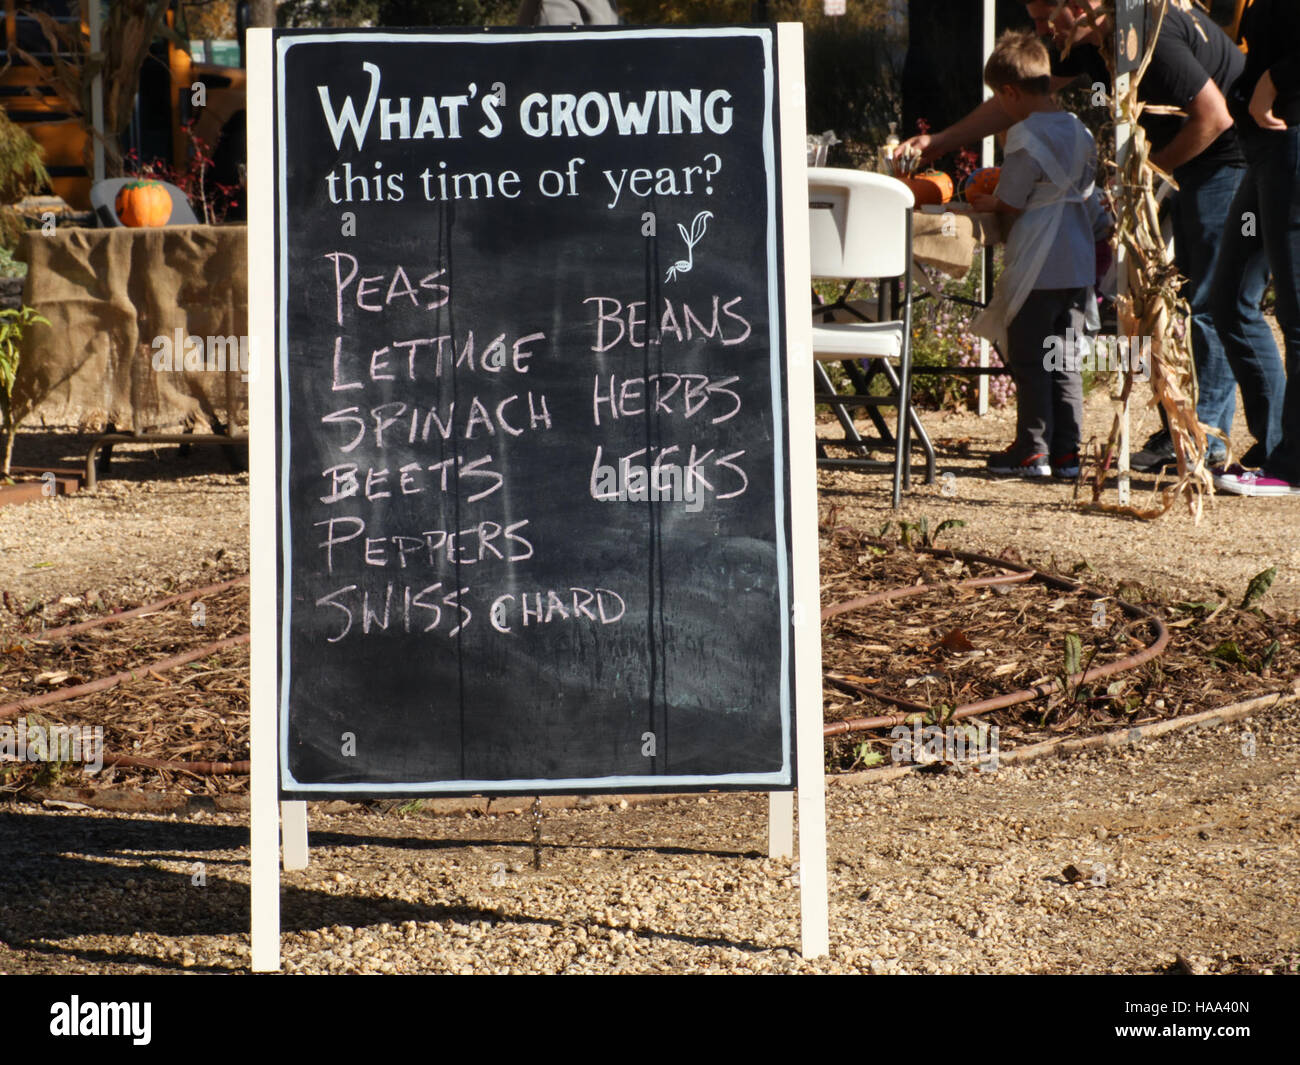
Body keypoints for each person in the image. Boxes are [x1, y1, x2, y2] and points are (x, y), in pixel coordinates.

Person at [899, 1, 1255, 472]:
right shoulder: (1078, 107)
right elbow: (1019, 105)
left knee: (1202, 303)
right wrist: (943, 140)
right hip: (1079, 265)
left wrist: (1139, 179)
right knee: (1070, 355)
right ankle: (1079, 447)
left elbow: (1214, 118)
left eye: (1046, 14)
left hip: (1219, 159)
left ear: (1081, 4)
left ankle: (1193, 441)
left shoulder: (1152, 34)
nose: (1041, 28)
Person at [967, 29, 1110, 479]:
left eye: (1000, 99)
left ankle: (1032, 448)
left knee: (1030, 358)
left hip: (1039, 258)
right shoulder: (1079, 129)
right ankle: (1067, 451)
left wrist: (988, 201)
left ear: (1010, 92)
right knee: (1064, 359)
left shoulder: (1025, 134)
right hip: (1077, 258)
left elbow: (1012, 197)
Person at [1212, 1, 1300, 496]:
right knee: (1229, 294)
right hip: (1265, 159)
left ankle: (1291, 465)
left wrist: (1275, 80)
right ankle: (1276, 443)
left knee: (1296, 311)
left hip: (1292, 148)